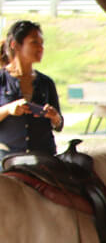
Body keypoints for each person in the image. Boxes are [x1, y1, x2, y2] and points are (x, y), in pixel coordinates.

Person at [0, 20, 64, 157]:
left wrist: (55, 117)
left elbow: (59, 124)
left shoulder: (46, 82)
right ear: (15, 45)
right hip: (8, 159)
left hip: (43, 158)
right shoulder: (2, 80)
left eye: (42, 43)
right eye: (34, 42)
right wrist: (8, 109)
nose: (41, 48)